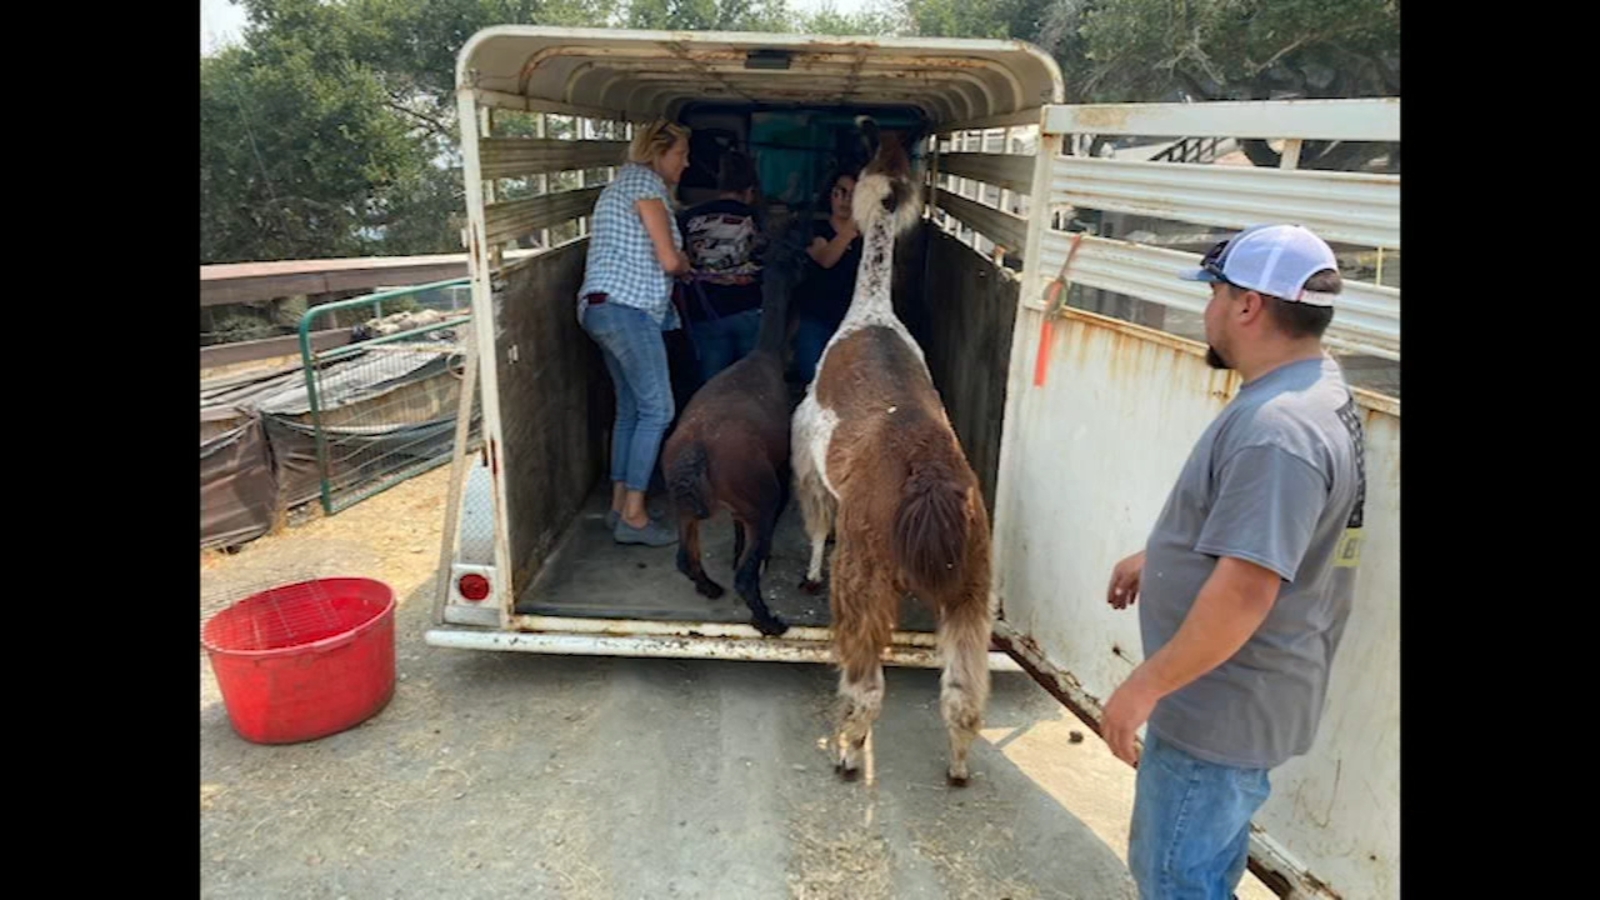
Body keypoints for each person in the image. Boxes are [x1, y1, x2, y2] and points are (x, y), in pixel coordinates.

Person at [1100, 224, 1368, 899]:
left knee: (1174, 878)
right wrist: (1164, 554)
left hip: (1217, 710)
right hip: (1237, 700)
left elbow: (1246, 592)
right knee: (1205, 869)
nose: (1208, 309)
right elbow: (1267, 533)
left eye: (1215, 293)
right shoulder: (1311, 391)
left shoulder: (1280, 430)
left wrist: (1144, 687)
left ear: (1248, 305)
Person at [576, 119, 693, 547]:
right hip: (629, 310)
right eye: (680, 153)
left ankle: (619, 505)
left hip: (601, 307)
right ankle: (635, 516)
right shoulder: (646, 186)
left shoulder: (619, 186)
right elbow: (669, 260)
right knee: (658, 410)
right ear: (658, 153)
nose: (686, 163)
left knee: (631, 409)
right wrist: (686, 263)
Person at [676, 150, 768, 384]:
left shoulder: (690, 216)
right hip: (747, 308)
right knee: (750, 381)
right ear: (750, 191)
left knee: (711, 383)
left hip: (705, 311)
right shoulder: (756, 219)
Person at [788, 170, 863, 386]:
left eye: (853, 195)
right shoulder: (814, 229)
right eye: (841, 192)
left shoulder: (867, 239)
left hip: (851, 322)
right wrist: (850, 230)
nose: (846, 200)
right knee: (813, 380)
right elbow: (825, 258)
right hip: (816, 319)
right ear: (831, 194)